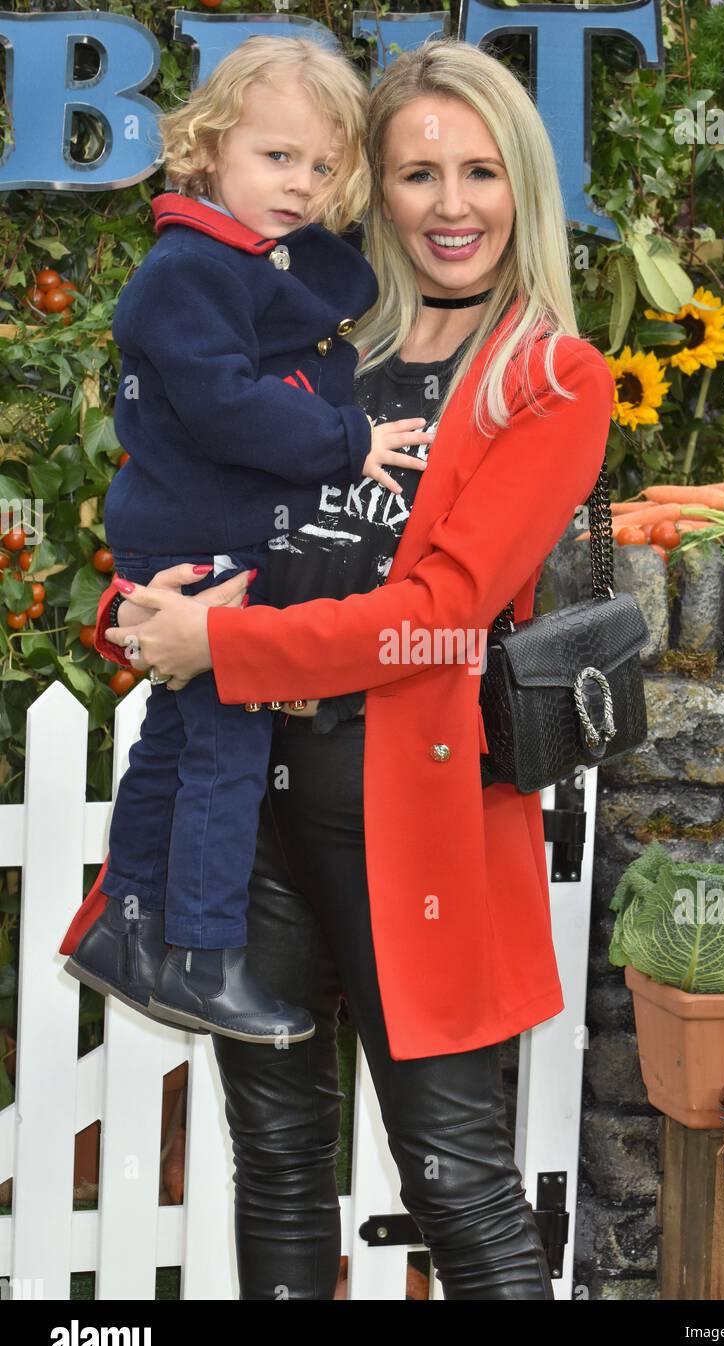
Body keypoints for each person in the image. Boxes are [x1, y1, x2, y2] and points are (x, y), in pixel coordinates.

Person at [61, 37, 615, 1299]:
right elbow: (189, 517)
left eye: (480, 171)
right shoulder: (316, 356)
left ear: (521, 185)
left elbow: (439, 616)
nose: (451, 204)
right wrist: (141, 613)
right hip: (247, 810)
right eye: (416, 174)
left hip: (406, 821)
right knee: (277, 1161)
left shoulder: (543, 382)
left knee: (455, 1178)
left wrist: (225, 645)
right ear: (373, 189)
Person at [62, 35, 433, 1043]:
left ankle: (122, 929)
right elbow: (227, 409)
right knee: (229, 752)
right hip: (199, 552)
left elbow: (329, 296)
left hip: (206, 540)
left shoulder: (246, 257)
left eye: (321, 166)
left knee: (176, 744)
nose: (300, 184)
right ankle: (200, 956)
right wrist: (346, 439)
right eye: (276, 158)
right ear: (207, 151)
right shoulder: (188, 271)